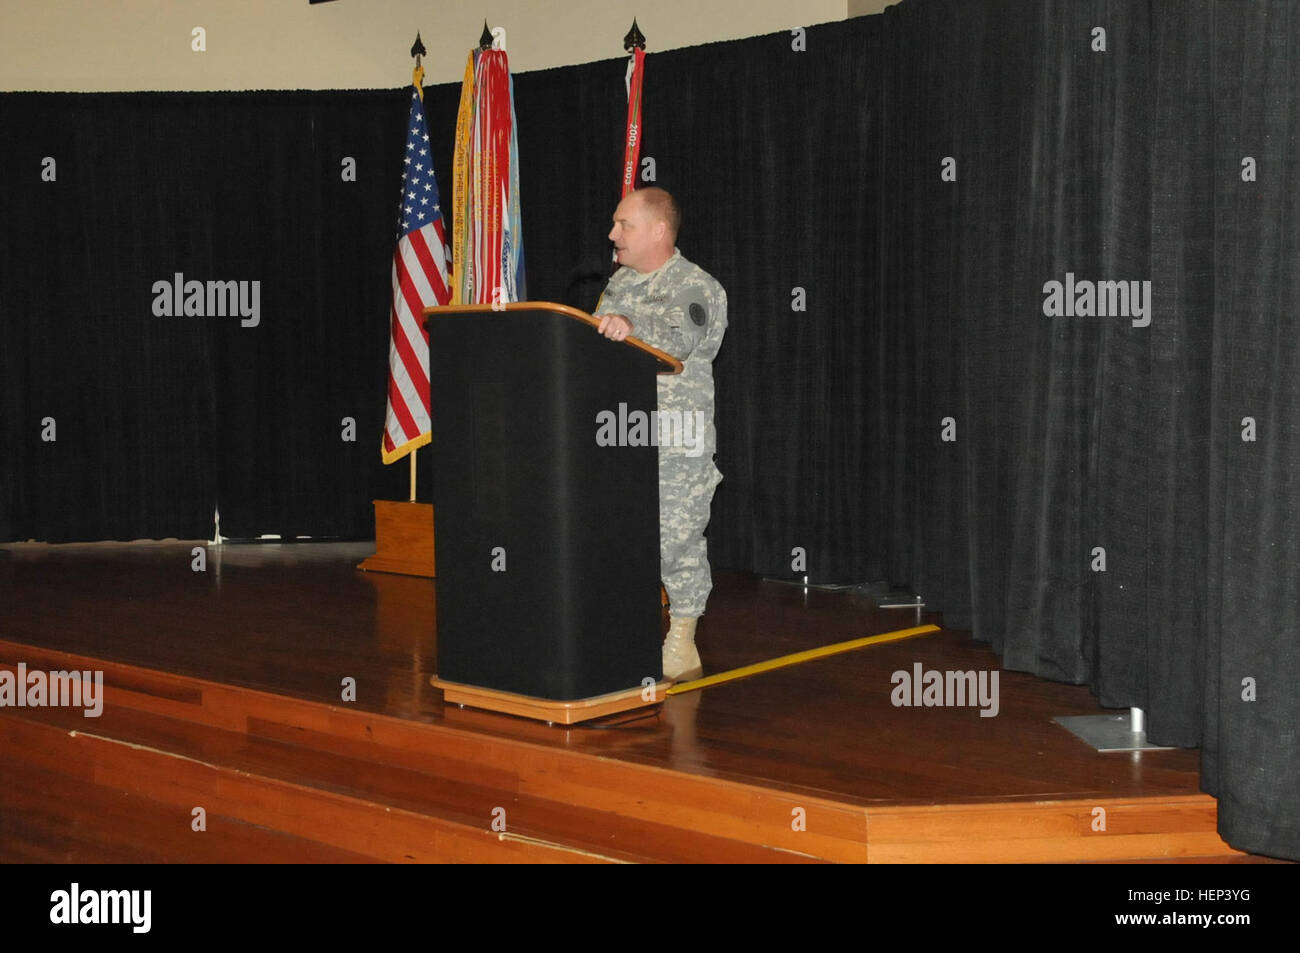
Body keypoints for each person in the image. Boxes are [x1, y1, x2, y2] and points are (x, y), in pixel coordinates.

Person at [593, 187, 727, 681]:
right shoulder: (619, 283)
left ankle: (683, 641)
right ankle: (627, 629)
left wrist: (629, 323)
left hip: (676, 437)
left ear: (657, 230)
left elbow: (675, 343)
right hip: (617, 430)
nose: (612, 234)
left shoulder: (699, 287)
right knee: (621, 532)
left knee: (675, 540)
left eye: (623, 224)